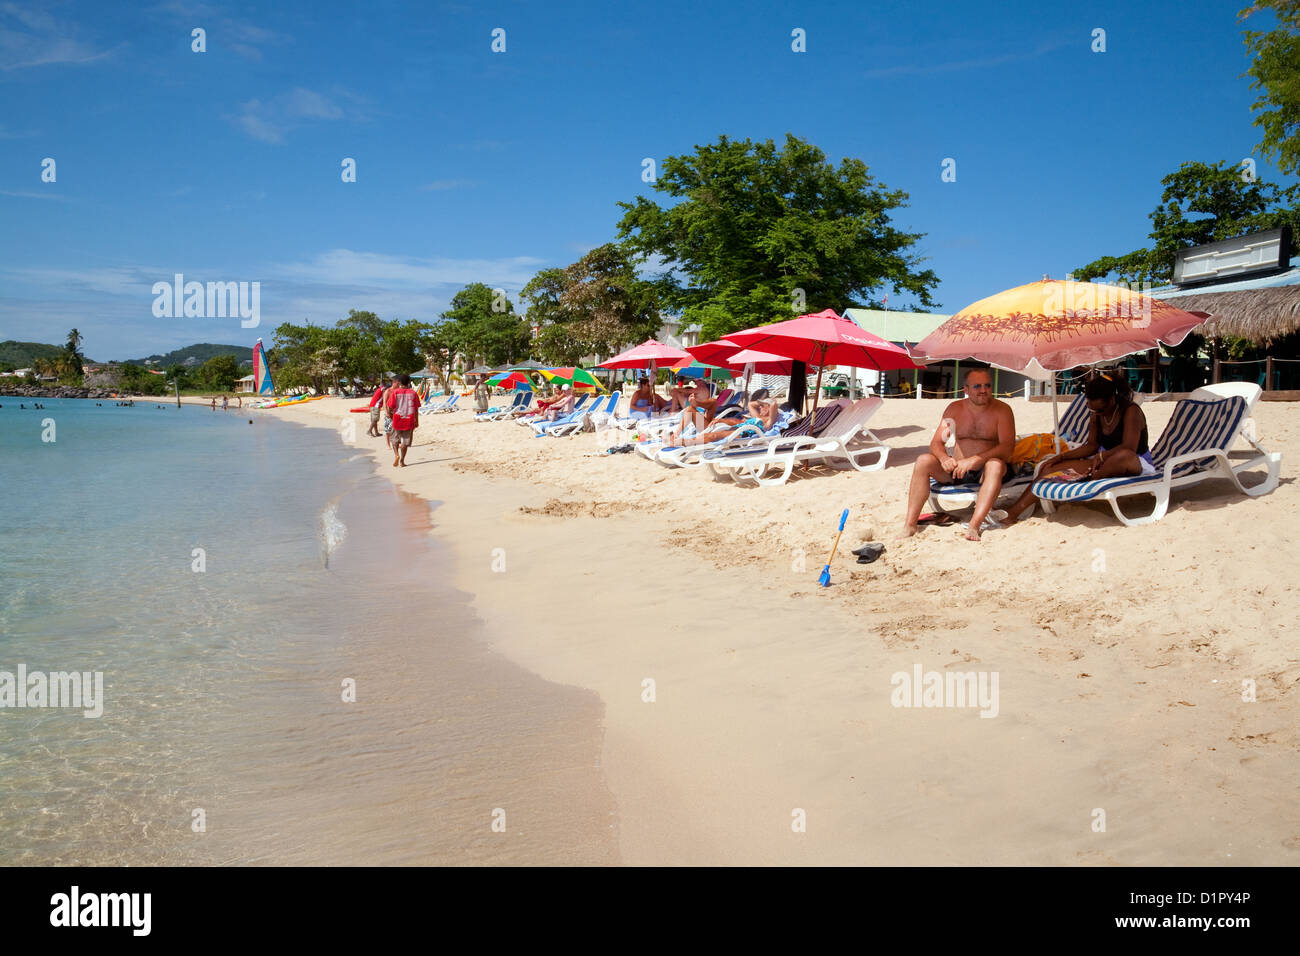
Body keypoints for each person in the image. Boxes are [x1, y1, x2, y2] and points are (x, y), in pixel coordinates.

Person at [1003, 372, 1153, 523]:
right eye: (1091, 409)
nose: (1095, 413)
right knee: (1048, 469)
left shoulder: (1131, 411)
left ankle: (1088, 480)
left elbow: (1129, 447)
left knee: (1123, 456)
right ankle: (1013, 513)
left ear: (1112, 400)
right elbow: (1091, 446)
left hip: (1134, 462)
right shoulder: (1096, 413)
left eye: (1099, 410)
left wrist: (1101, 457)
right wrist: (1061, 457)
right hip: (1102, 463)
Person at [902, 367, 1015, 542]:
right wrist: (944, 458)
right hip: (957, 470)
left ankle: (974, 525)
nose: (983, 390)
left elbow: (1007, 448)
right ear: (966, 390)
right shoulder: (955, 410)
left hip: (986, 472)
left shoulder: (1002, 411)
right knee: (923, 460)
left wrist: (974, 461)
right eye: (977, 386)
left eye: (987, 385)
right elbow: (936, 442)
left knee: (996, 464)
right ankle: (909, 525)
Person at [386, 373, 420, 467]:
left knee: (395, 439)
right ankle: (402, 461)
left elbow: (389, 406)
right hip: (409, 420)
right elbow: (416, 408)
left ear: (400, 382)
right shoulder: (413, 393)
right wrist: (416, 420)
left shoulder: (395, 392)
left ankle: (396, 454)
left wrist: (390, 415)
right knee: (405, 442)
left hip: (397, 419)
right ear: (409, 382)